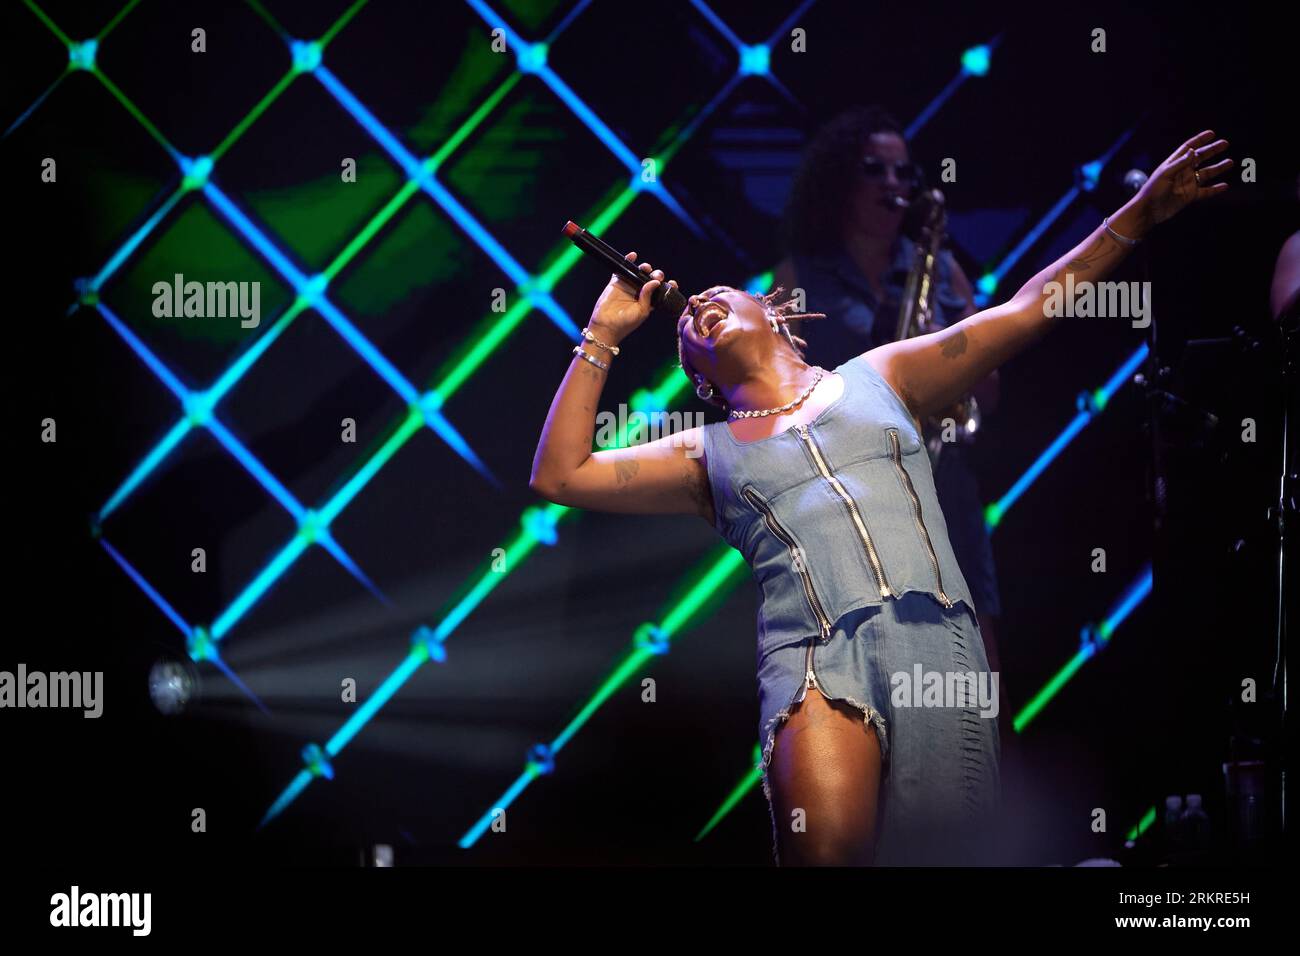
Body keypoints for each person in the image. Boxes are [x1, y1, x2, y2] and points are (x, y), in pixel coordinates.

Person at [529, 131, 1231, 865]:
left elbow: (1028, 309)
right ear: (699, 380)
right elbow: (560, 474)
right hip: (813, 659)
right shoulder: (704, 452)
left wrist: (1139, 214)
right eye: (686, 328)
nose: (696, 308)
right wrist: (603, 334)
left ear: (775, 314)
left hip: (938, 646)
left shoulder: (881, 375)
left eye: (715, 298)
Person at [773, 107, 1010, 730]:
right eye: (872, 170)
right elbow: (780, 391)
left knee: (980, 666)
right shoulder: (801, 276)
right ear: (838, 184)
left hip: (944, 480)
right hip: (849, 488)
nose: (892, 183)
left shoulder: (940, 266)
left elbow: (991, 388)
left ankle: (990, 808)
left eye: (903, 171)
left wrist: (946, 354)